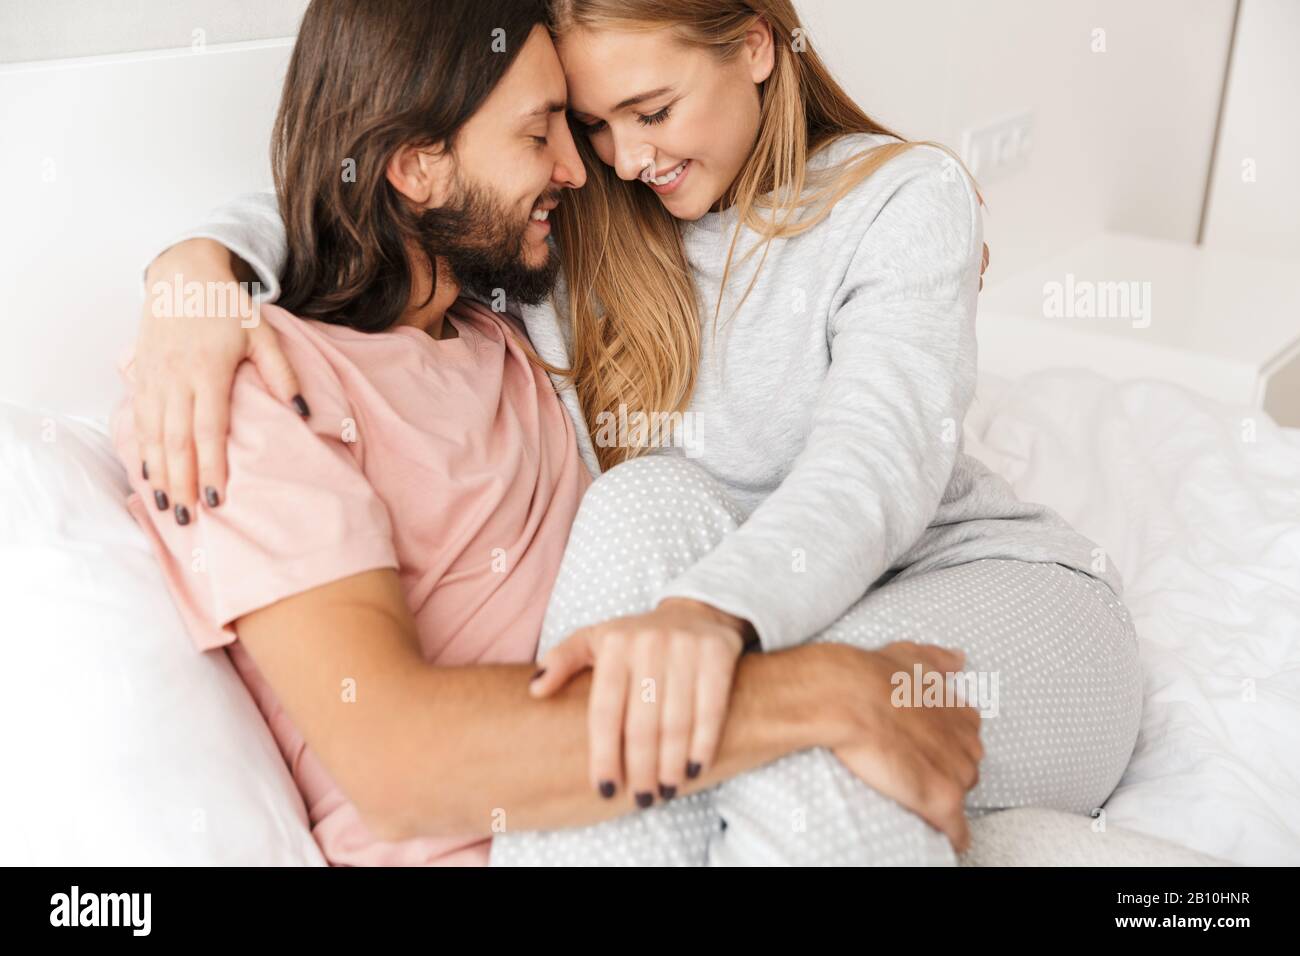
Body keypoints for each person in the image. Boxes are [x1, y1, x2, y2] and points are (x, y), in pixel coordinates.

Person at [126, 0, 1139, 866]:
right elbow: (372, 196)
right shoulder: (574, 228)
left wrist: (710, 617)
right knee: (645, 507)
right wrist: (197, 267)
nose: (616, 157)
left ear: (752, 44)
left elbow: (874, 459)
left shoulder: (897, 203)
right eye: (583, 122)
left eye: (648, 110)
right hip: (758, 629)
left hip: (961, 583)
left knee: (795, 763)